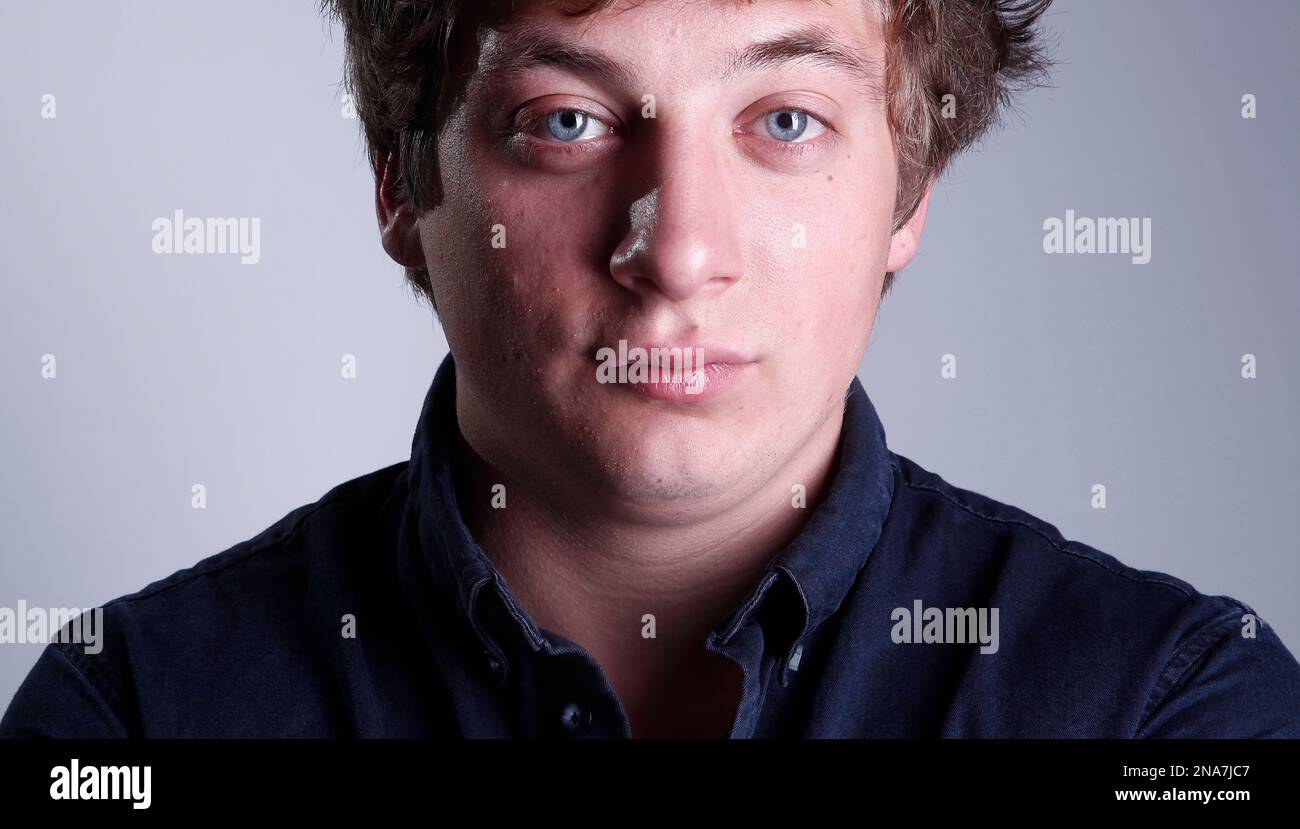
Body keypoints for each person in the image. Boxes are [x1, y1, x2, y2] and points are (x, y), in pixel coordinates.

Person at [4, 0, 1298, 738]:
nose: (675, 249)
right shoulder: (131, 716)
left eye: (785, 120)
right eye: (565, 120)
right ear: (400, 180)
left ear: (909, 190)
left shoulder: (1167, 711)